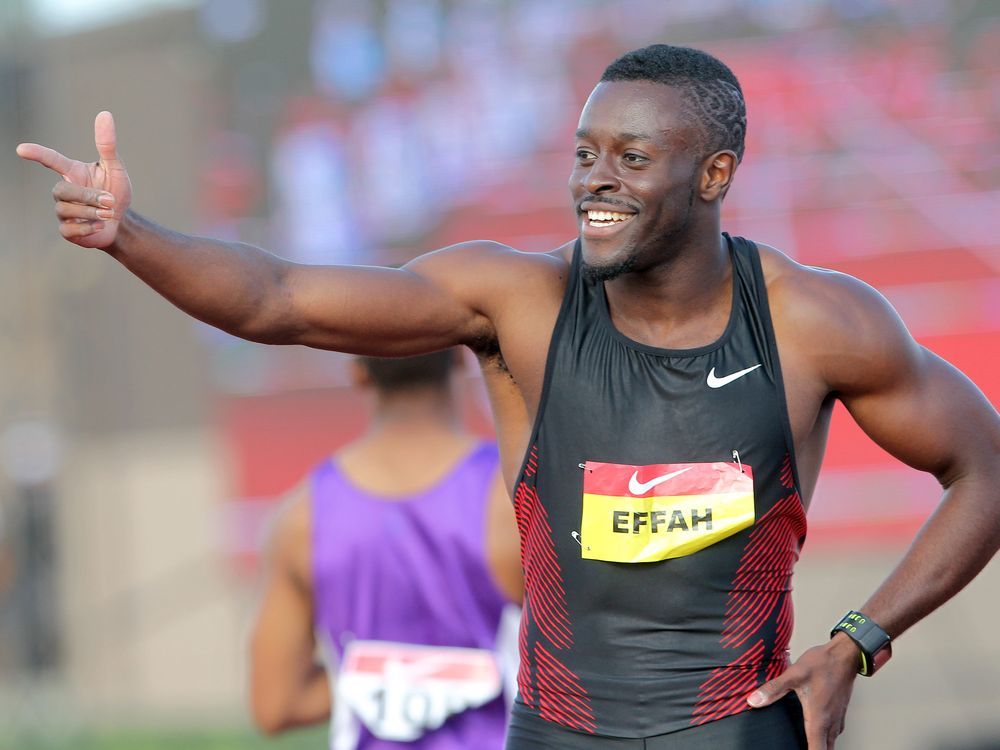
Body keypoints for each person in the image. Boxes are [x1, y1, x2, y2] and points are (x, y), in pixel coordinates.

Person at [17, 43, 1000, 750]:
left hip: (734, 732)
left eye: (630, 158)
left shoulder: (813, 322)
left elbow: (985, 470)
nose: (594, 182)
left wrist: (858, 642)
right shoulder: (519, 302)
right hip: (555, 732)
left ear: (715, 174)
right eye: (584, 154)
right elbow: (279, 300)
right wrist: (129, 234)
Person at [248, 350, 523, 749]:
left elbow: (277, 704)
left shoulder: (299, 519)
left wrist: (383, 674)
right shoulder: (516, 499)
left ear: (358, 373)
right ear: (459, 360)